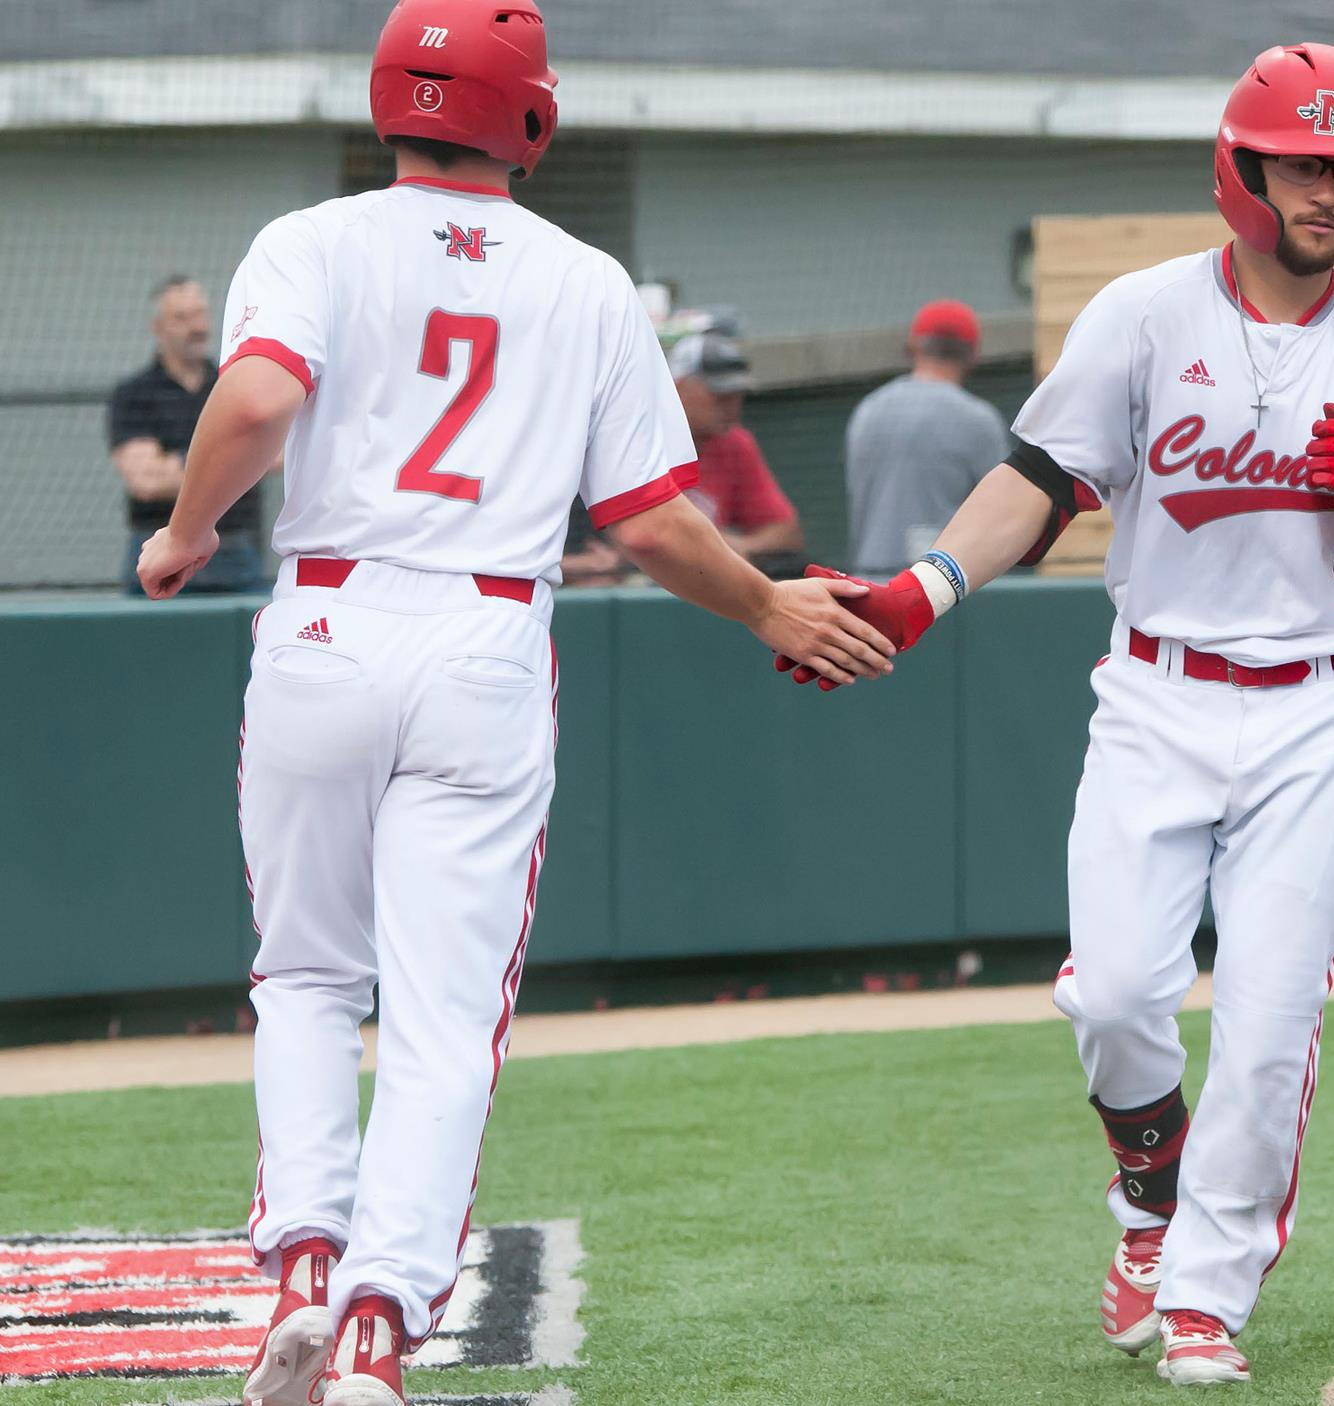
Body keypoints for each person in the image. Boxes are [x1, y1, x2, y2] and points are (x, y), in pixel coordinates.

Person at [132, 4, 892, 1403]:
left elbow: (248, 406)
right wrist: (770, 603)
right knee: (441, 1014)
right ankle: (374, 1327)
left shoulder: (312, 239)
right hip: (485, 633)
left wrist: (185, 531)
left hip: (326, 614)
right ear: (528, 118)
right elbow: (655, 523)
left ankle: (304, 1263)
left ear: (388, 106)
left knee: (303, 974)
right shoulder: (589, 279)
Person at [779, 42, 1334, 1387]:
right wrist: (921, 592)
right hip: (1157, 691)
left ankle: (1208, 1292)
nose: (1328, 193)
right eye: (1304, 163)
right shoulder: (1144, 315)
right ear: (1242, 166)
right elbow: (1043, 478)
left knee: (1274, 1020)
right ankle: (1148, 1185)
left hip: (1323, 706)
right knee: (1115, 994)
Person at [108, 277, 269, 593]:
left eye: (200, 315)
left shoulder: (235, 384)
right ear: (157, 327)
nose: (196, 327)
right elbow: (147, 481)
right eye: (181, 318)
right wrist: (235, 460)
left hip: (236, 553)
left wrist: (176, 464)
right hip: (157, 552)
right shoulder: (135, 394)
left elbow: (273, 455)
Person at [844, 298, 1012, 575]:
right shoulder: (978, 420)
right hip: (940, 589)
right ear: (972, 355)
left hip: (867, 583)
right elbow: (1003, 516)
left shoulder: (867, 410)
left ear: (913, 346)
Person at [662, 311, 805, 568]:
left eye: (737, 395)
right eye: (720, 395)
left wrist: (738, 546)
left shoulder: (734, 443)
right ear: (679, 387)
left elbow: (786, 533)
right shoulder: (639, 439)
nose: (732, 407)